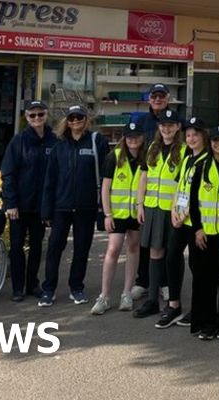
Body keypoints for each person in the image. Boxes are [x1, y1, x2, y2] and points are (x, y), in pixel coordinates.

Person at [38, 104, 108, 307]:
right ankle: (48, 289)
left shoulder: (97, 142)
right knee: (54, 248)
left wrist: (104, 208)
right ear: (66, 122)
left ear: (86, 119)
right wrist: (46, 210)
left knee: (81, 249)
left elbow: (106, 176)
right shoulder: (59, 146)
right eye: (72, 118)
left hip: (86, 207)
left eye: (79, 117)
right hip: (61, 206)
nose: (75, 121)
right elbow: (50, 180)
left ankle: (76, 287)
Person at [1, 99, 56, 302]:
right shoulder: (18, 141)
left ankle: (32, 284)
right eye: (32, 115)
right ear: (26, 117)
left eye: (40, 114)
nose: (37, 118)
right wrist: (11, 203)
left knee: (36, 246)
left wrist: (50, 207)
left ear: (46, 115)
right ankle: (17, 288)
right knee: (16, 247)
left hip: (41, 207)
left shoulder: (54, 140)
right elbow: (8, 173)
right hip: (19, 206)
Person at [158, 116, 210, 329]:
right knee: (171, 258)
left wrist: (185, 214)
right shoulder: (187, 159)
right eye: (188, 135)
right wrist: (173, 211)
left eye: (195, 134)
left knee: (197, 265)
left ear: (203, 136)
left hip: (195, 221)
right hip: (178, 219)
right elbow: (178, 187)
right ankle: (174, 305)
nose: (191, 138)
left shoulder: (207, 161)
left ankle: (198, 309)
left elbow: (203, 195)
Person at [134, 108, 185, 318]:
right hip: (152, 208)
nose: (167, 129)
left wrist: (181, 210)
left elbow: (184, 183)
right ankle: (152, 300)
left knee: (173, 254)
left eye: (171, 125)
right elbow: (144, 177)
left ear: (178, 127)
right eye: (163, 125)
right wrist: (139, 204)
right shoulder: (153, 147)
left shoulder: (183, 150)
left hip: (172, 211)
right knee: (155, 253)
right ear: (159, 127)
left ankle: (174, 301)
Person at [93, 120, 146, 315]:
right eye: (130, 137)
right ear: (125, 139)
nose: (133, 140)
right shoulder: (114, 157)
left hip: (136, 214)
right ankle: (104, 296)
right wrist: (106, 213)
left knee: (133, 248)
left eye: (137, 137)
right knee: (113, 249)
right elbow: (105, 188)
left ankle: (126, 293)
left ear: (142, 138)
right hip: (116, 213)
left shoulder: (145, 158)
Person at [188, 124, 219, 339]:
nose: (218, 144)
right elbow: (193, 201)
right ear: (210, 142)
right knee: (205, 282)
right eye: (215, 140)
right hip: (205, 235)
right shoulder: (202, 165)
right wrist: (197, 229)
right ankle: (206, 323)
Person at [129, 83, 173, 300]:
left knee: (164, 243)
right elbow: (130, 145)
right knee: (146, 242)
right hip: (144, 184)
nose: (157, 99)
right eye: (154, 96)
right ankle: (143, 281)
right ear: (149, 99)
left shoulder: (176, 121)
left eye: (161, 96)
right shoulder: (141, 122)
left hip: (167, 193)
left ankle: (164, 283)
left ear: (168, 98)